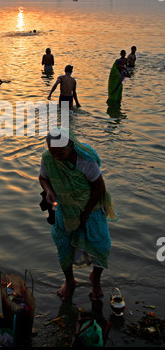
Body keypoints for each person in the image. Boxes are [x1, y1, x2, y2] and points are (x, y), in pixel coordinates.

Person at [39, 128, 118, 301]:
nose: (56, 157)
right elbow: (43, 178)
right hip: (64, 209)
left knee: (102, 245)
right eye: (53, 152)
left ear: (72, 147)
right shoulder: (48, 158)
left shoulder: (85, 161)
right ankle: (70, 281)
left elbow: (99, 187)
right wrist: (49, 191)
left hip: (91, 208)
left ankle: (95, 280)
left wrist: (86, 212)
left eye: (61, 152)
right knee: (63, 246)